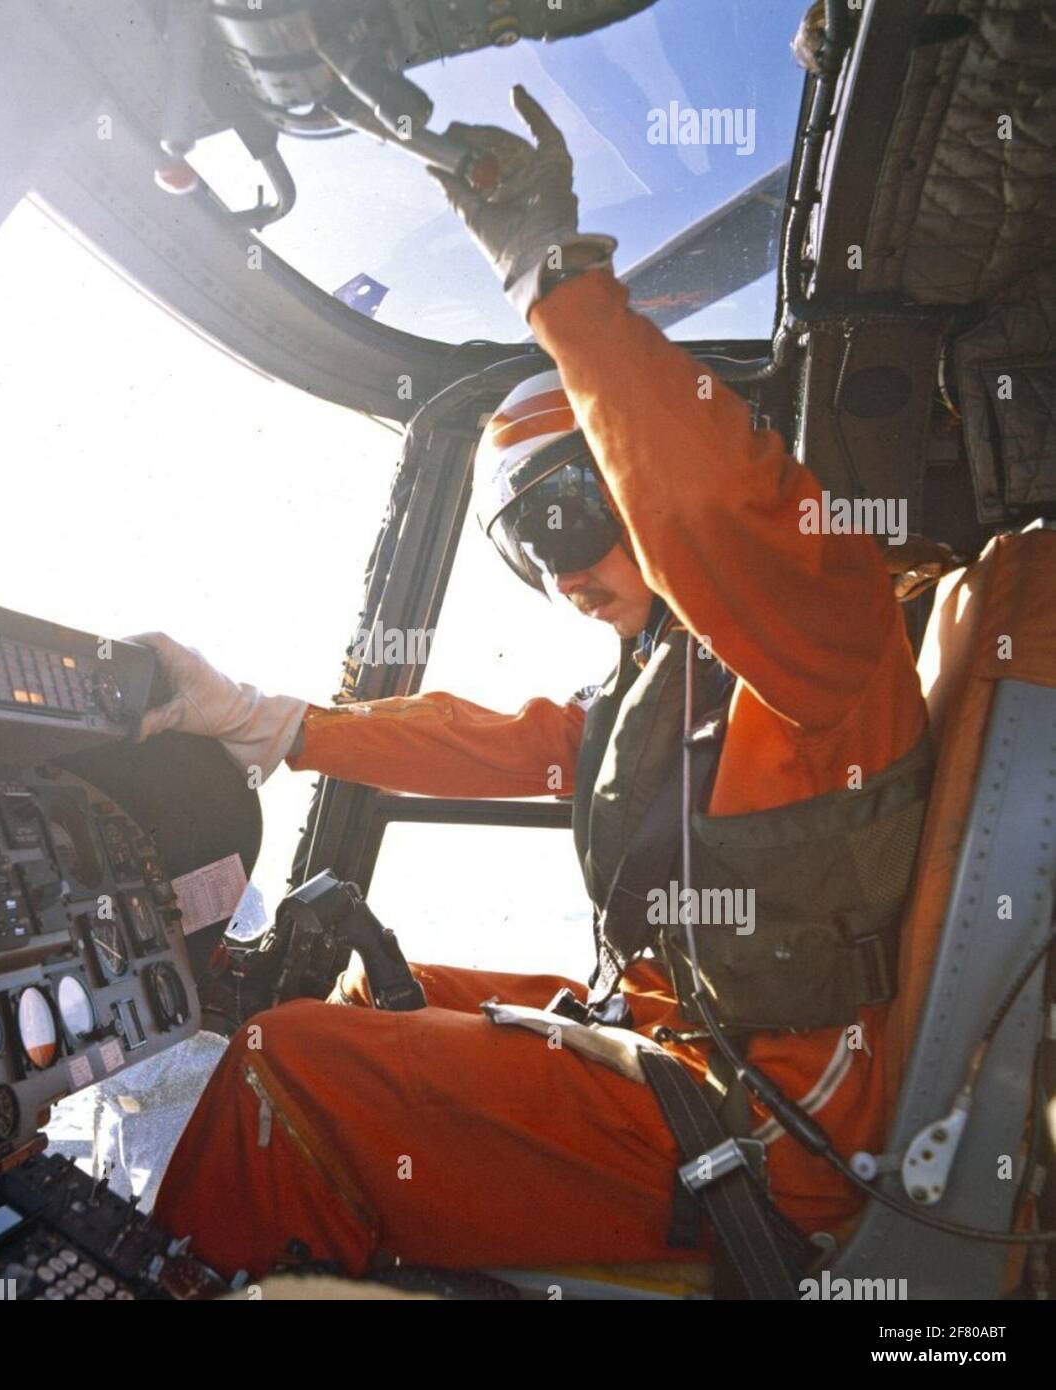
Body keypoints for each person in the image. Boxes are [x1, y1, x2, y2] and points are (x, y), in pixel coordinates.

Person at [139, 87, 931, 1282]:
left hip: (772, 1132)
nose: (555, 576)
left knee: (283, 1061)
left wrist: (550, 277)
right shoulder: (687, 686)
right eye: (521, 547)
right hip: (687, 1047)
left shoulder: (821, 637)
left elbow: (719, 504)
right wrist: (263, 722)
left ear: (631, 488)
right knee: (367, 1004)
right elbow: (507, 743)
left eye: (565, 520)